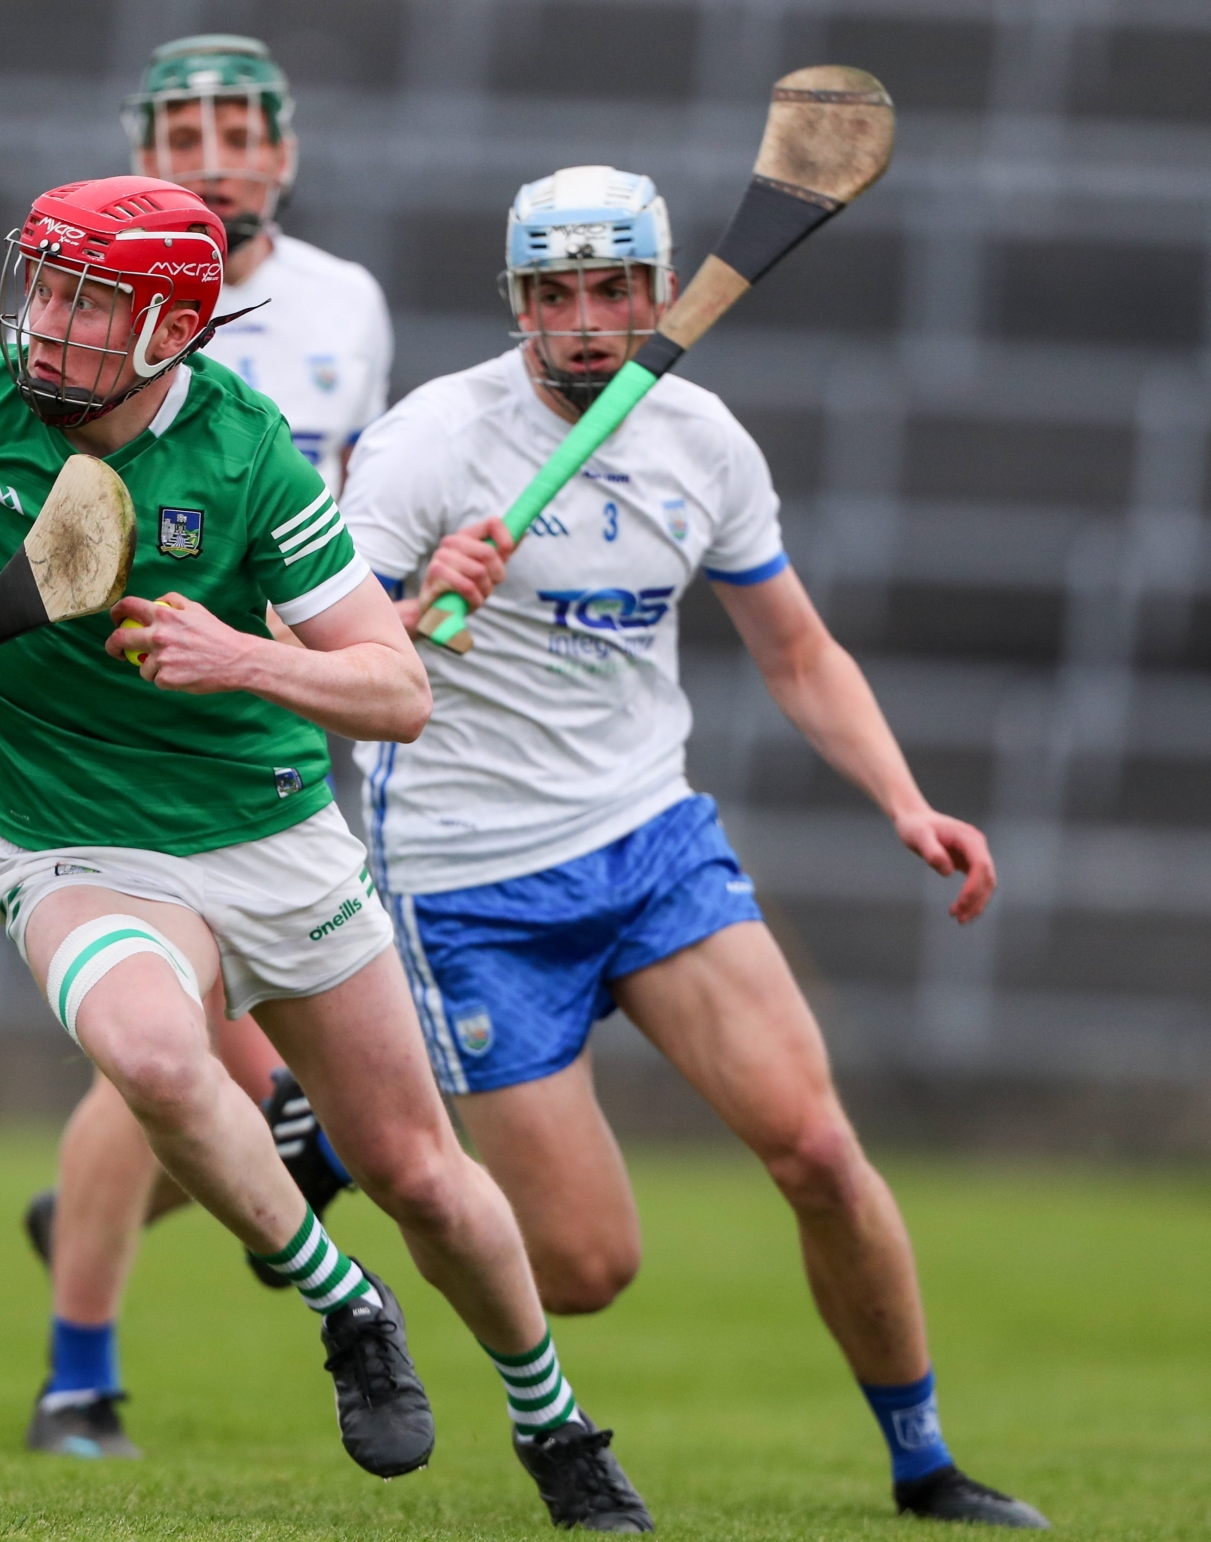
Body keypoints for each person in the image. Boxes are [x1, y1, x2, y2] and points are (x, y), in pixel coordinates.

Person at [0, 175, 653, 1531]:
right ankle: (346, 1305)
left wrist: (239, 654)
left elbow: (396, 685)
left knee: (418, 1172)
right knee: (155, 1054)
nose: (45, 319)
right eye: (44, 282)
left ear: (171, 331)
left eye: (87, 299)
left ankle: (555, 1425)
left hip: (273, 833)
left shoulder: (246, 452)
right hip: (75, 842)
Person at [334, 165, 1051, 1529]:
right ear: (520, 303)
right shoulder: (430, 442)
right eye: (558, 293)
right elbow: (335, 644)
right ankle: (384, 1201)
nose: (590, 320)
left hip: (651, 840)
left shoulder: (703, 442)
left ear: (662, 295)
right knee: (590, 1268)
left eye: (616, 289)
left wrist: (904, 798)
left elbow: (796, 647)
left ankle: (925, 1465)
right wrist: (421, 598)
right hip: (470, 877)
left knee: (820, 1153)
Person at [0, 33, 394, 1459]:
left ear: (285, 152)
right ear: (144, 154)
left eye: (237, 128)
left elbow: (350, 512)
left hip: (272, 707)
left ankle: (135, 1208)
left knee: (276, 1093)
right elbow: (0, 531)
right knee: (156, 1052)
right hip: (104, 727)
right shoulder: (79, 302)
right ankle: (79, 1376)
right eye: (181, 131)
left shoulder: (344, 306)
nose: (211, 154)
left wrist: (406, 608)